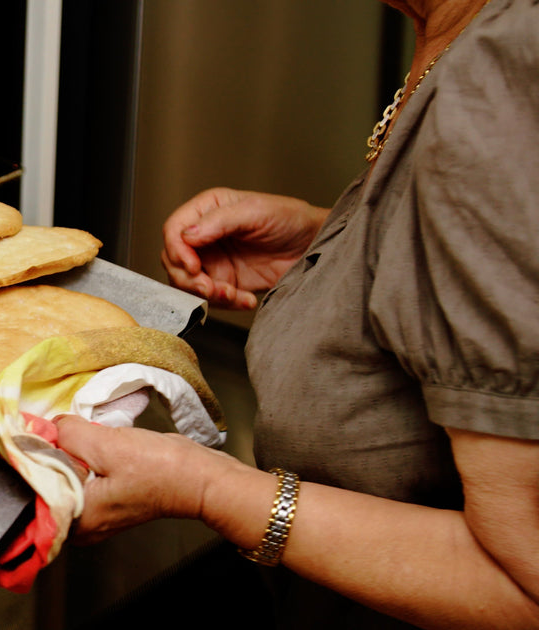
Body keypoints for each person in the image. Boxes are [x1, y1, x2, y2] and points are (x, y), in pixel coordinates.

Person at [55, 0, 539, 627]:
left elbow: (523, 586)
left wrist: (209, 489)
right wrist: (341, 248)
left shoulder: (506, 68)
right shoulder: (457, 31)